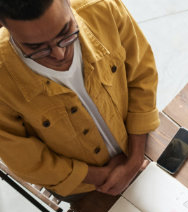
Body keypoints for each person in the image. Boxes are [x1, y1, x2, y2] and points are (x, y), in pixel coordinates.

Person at [0, 0, 159, 198]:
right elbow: (24, 158)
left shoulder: (102, 7)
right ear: (4, 26)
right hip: (84, 188)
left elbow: (142, 72)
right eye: (37, 48)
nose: (59, 54)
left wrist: (134, 160)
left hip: (139, 143)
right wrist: (102, 176)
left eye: (66, 33)